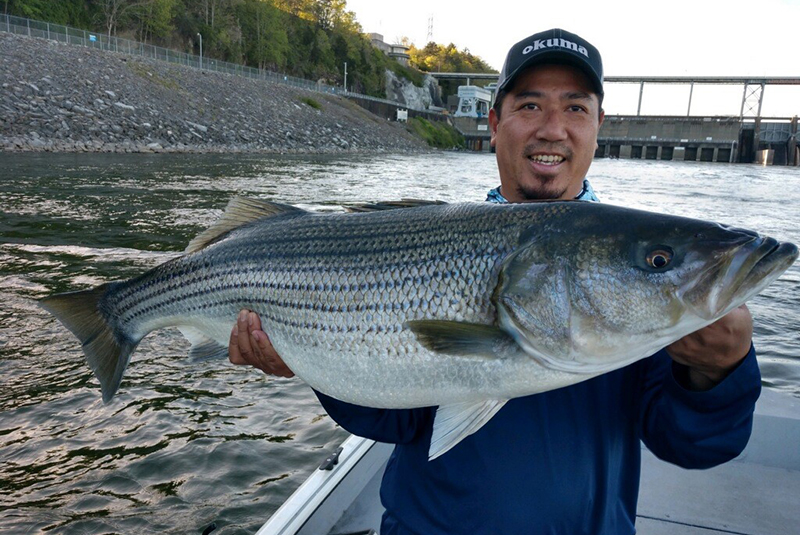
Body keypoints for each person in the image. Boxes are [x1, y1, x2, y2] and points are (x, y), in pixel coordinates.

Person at [228, 28, 760, 535]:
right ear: (494, 122)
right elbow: (398, 422)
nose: (553, 127)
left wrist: (716, 377)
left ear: (600, 123)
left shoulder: (638, 281)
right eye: (530, 105)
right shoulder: (440, 238)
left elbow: (691, 447)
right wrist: (309, 358)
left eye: (575, 107)